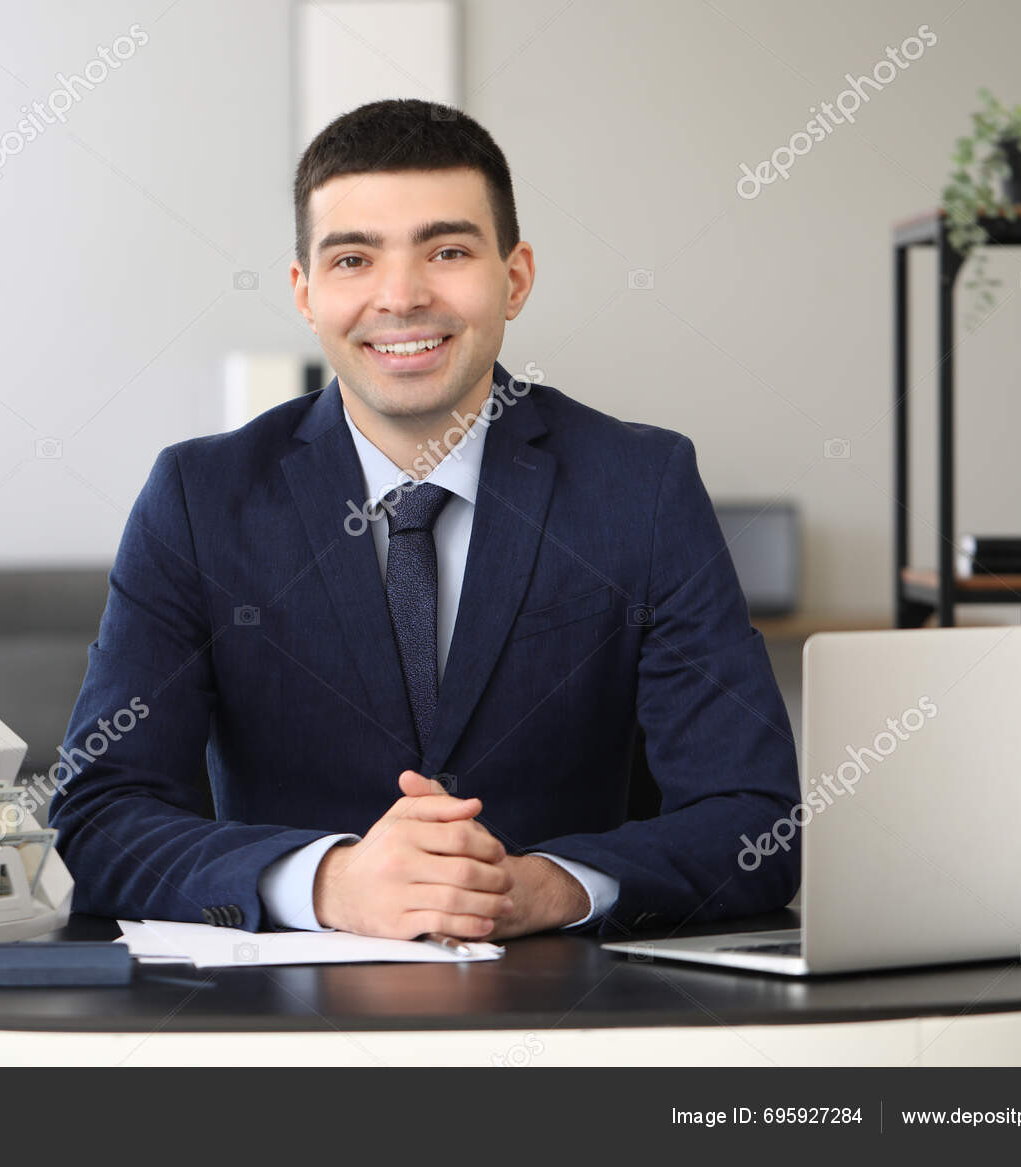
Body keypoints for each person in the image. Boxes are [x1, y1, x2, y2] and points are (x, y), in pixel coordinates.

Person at [48, 98, 800, 942]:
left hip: (574, 1014)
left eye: (446, 251)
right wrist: (329, 883)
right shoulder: (199, 497)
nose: (400, 297)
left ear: (513, 278)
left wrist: (541, 887)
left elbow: (755, 820)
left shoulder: (643, 486)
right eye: (353, 259)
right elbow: (98, 818)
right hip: (282, 1029)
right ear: (305, 292)